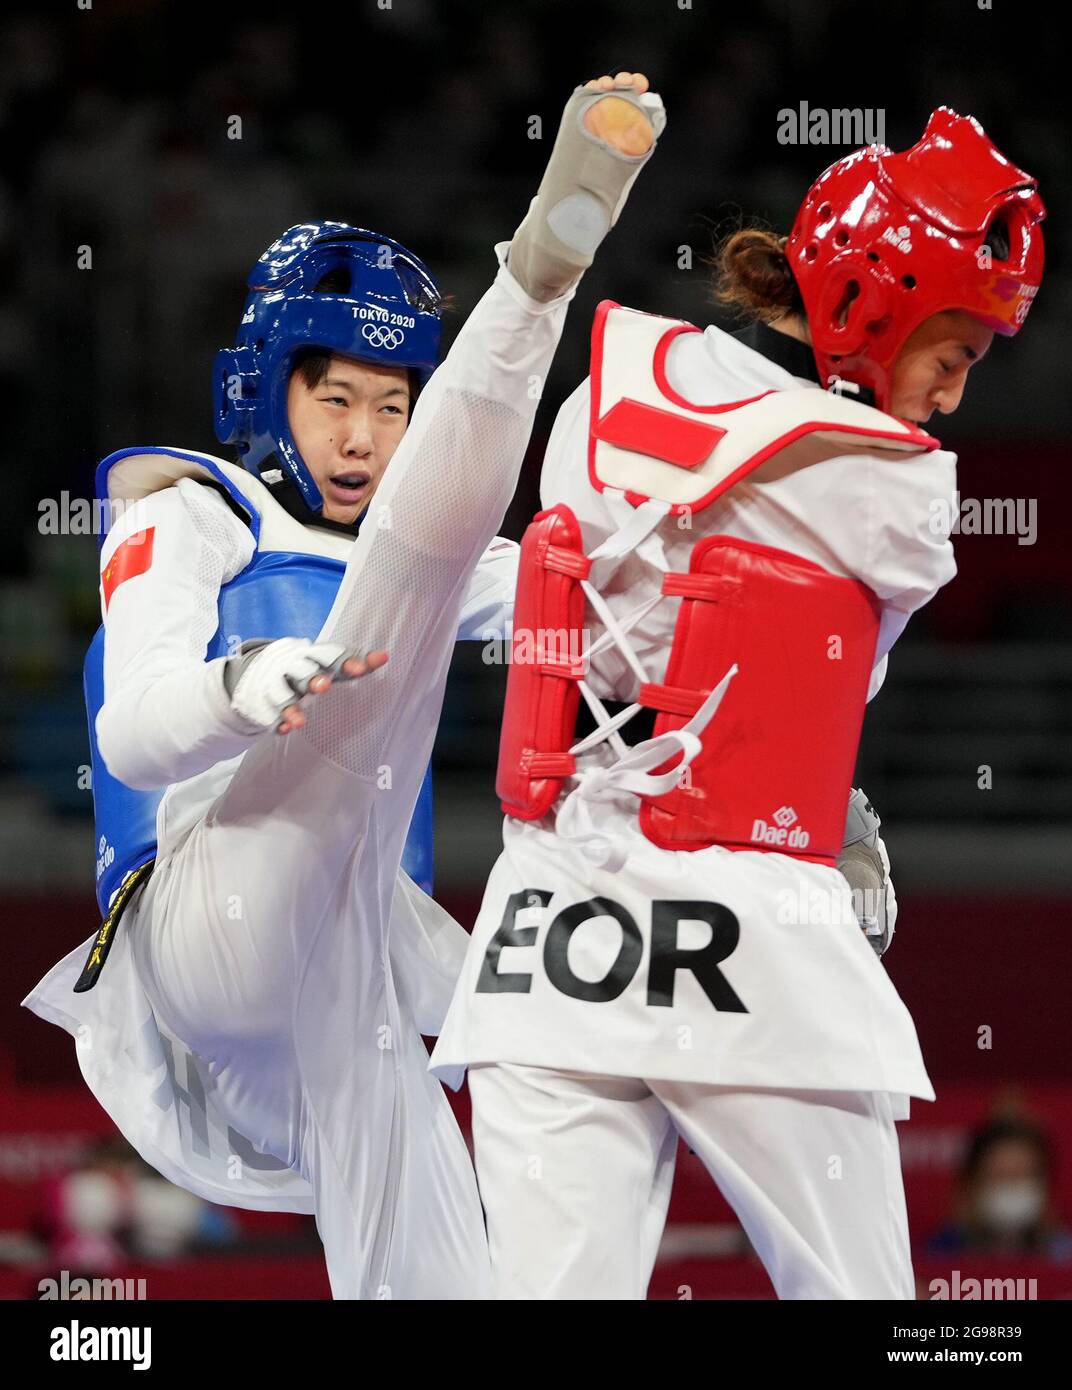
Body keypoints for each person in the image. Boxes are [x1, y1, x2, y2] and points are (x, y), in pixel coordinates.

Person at [23, 72, 667, 1299]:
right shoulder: (194, 512)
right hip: (203, 923)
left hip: (351, 981)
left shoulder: (427, 552)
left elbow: (617, 618)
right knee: (406, 592)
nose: (365, 437)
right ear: (271, 388)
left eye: (393, 406)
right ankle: (540, 267)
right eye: (337, 400)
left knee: (459, 1263)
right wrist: (243, 685)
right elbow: (138, 733)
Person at [430, 106, 1046, 1299]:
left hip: (551, 921)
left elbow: (585, 584)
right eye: (955, 353)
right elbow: (814, 676)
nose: (956, 398)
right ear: (878, 305)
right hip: (752, 927)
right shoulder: (903, 500)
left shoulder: (599, 397)